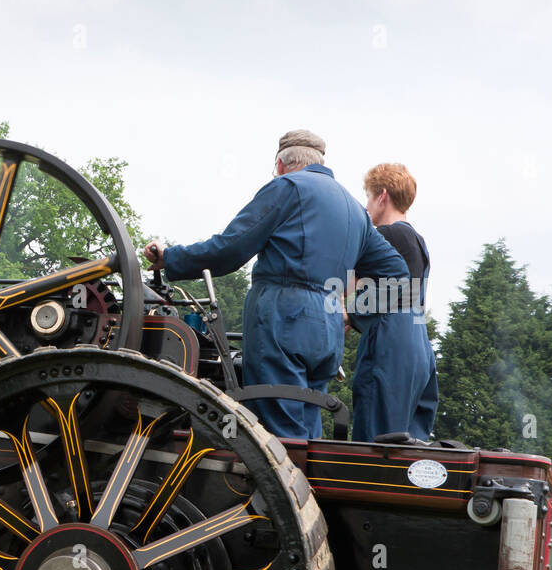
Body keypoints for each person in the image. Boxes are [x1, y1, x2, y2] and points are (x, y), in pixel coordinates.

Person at [143, 130, 409, 439]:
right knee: (307, 430)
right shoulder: (354, 209)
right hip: (328, 325)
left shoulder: (286, 187)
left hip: (284, 318)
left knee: (279, 434)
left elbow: (230, 249)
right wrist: (352, 314)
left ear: (280, 165)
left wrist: (171, 258)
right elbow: (399, 276)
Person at [352, 163, 438, 442]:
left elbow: (356, 287)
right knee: (408, 442)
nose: (366, 206)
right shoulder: (418, 239)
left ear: (382, 196)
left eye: (368, 197)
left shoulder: (386, 235)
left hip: (391, 339)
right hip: (419, 343)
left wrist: (347, 313)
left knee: (376, 440)